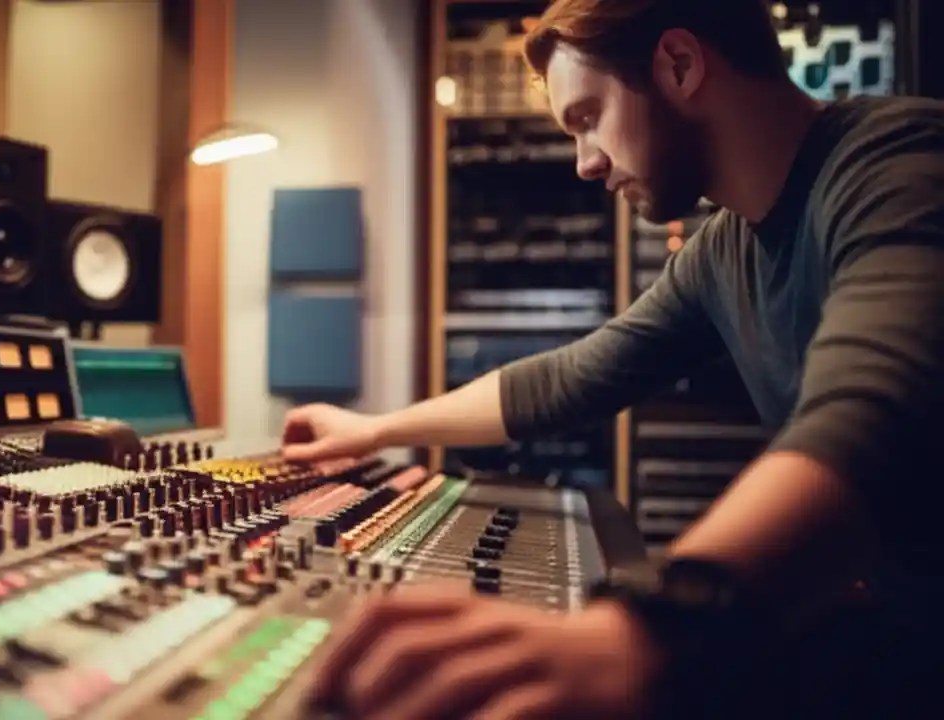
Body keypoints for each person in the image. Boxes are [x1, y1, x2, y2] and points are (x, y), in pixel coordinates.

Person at [284, 0, 944, 718]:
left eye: (588, 118)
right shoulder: (724, 249)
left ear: (681, 66)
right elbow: (573, 377)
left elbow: (874, 412)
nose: (586, 163)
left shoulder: (899, 164)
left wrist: (642, 632)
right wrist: (377, 430)